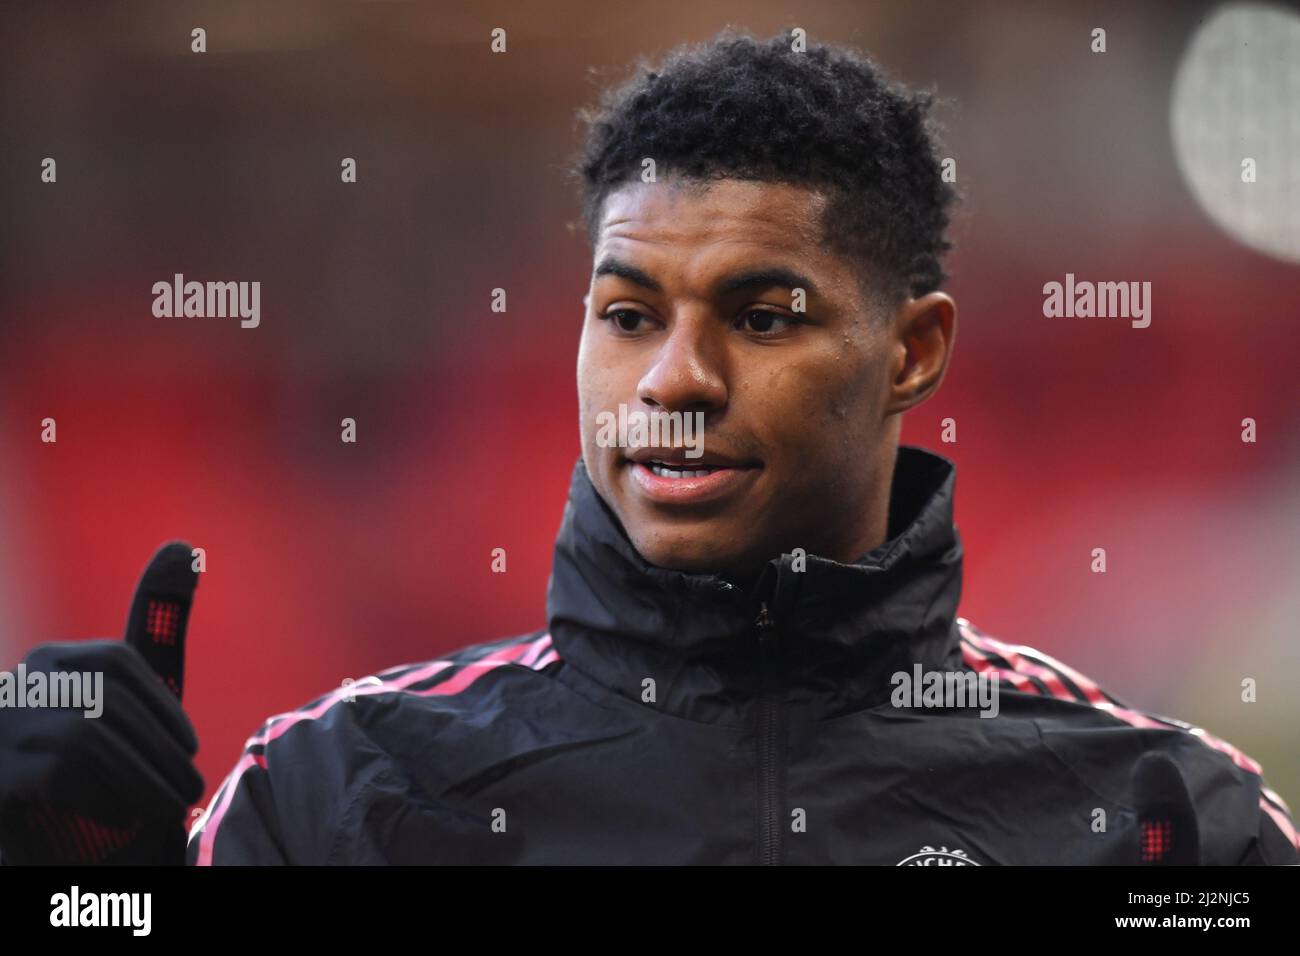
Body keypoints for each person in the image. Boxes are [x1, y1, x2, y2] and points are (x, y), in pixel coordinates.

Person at [2, 29, 1295, 866]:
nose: (674, 377)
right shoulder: (341, 795)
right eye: (628, 315)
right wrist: (74, 889)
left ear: (912, 352)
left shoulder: (1163, 823)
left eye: (762, 314)